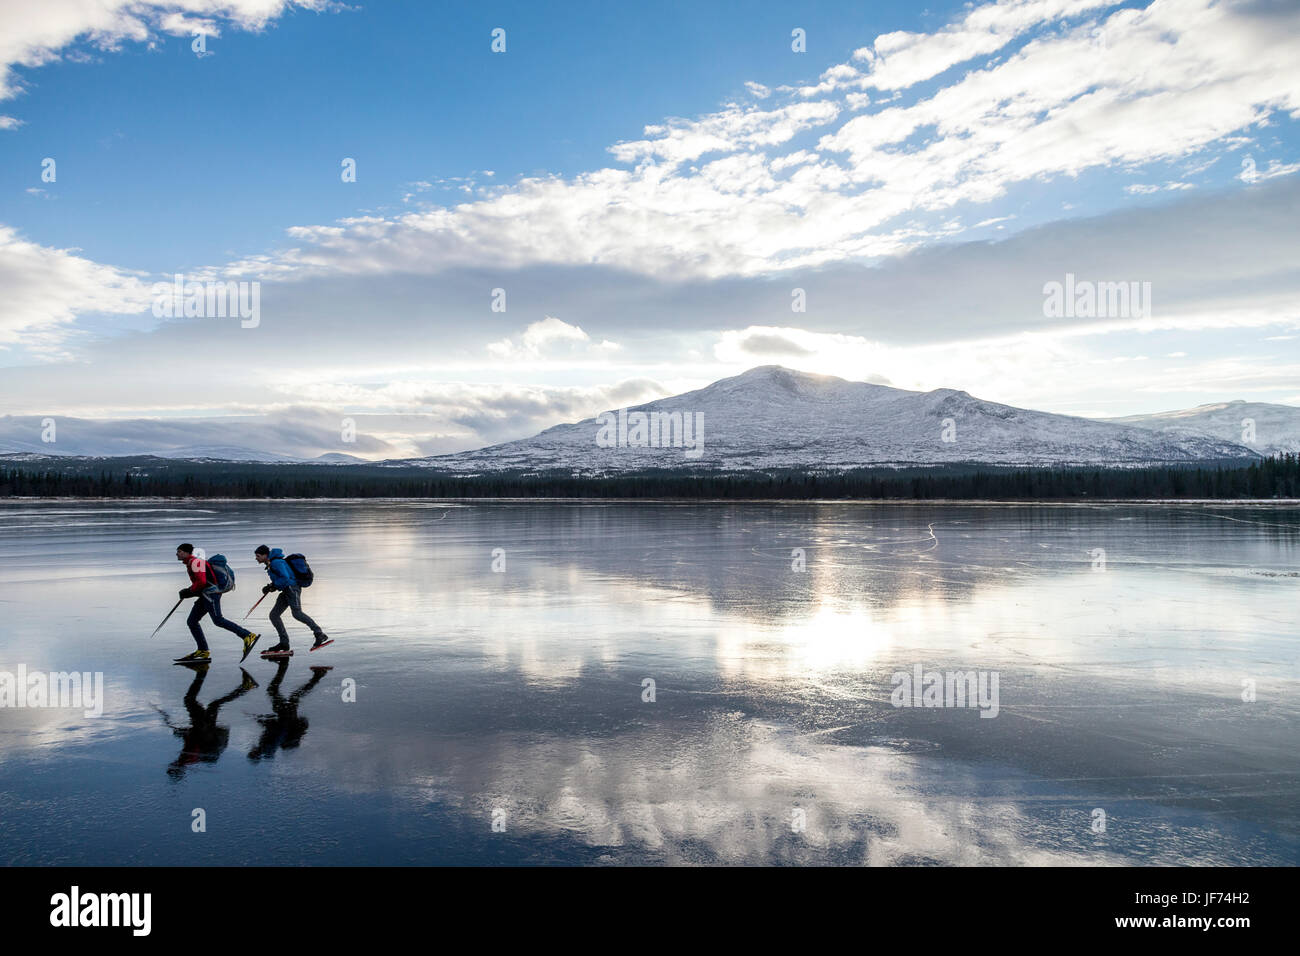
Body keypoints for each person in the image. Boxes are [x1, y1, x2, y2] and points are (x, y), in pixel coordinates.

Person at [173, 543, 261, 664]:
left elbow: (202, 582)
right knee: (192, 621)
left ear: (187, 553)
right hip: (206, 594)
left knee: (218, 620)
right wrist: (189, 592)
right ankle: (203, 650)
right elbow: (201, 583)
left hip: (211, 595)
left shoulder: (195, 562)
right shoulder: (192, 563)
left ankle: (247, 636)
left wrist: (189, 591)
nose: (177, 554)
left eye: (179, 551)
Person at [254, 545, 331, 655]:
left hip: (292, 589)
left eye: (258, 556)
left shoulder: (276, 563)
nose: (256, 558)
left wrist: (273, 586)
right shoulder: (272, 563)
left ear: (265, 555)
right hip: (286, 590)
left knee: (297, 613)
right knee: (274, 615)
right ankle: (284, 643)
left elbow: (285, 578)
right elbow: (282, 578)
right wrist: (272, 586)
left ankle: (319, 634)